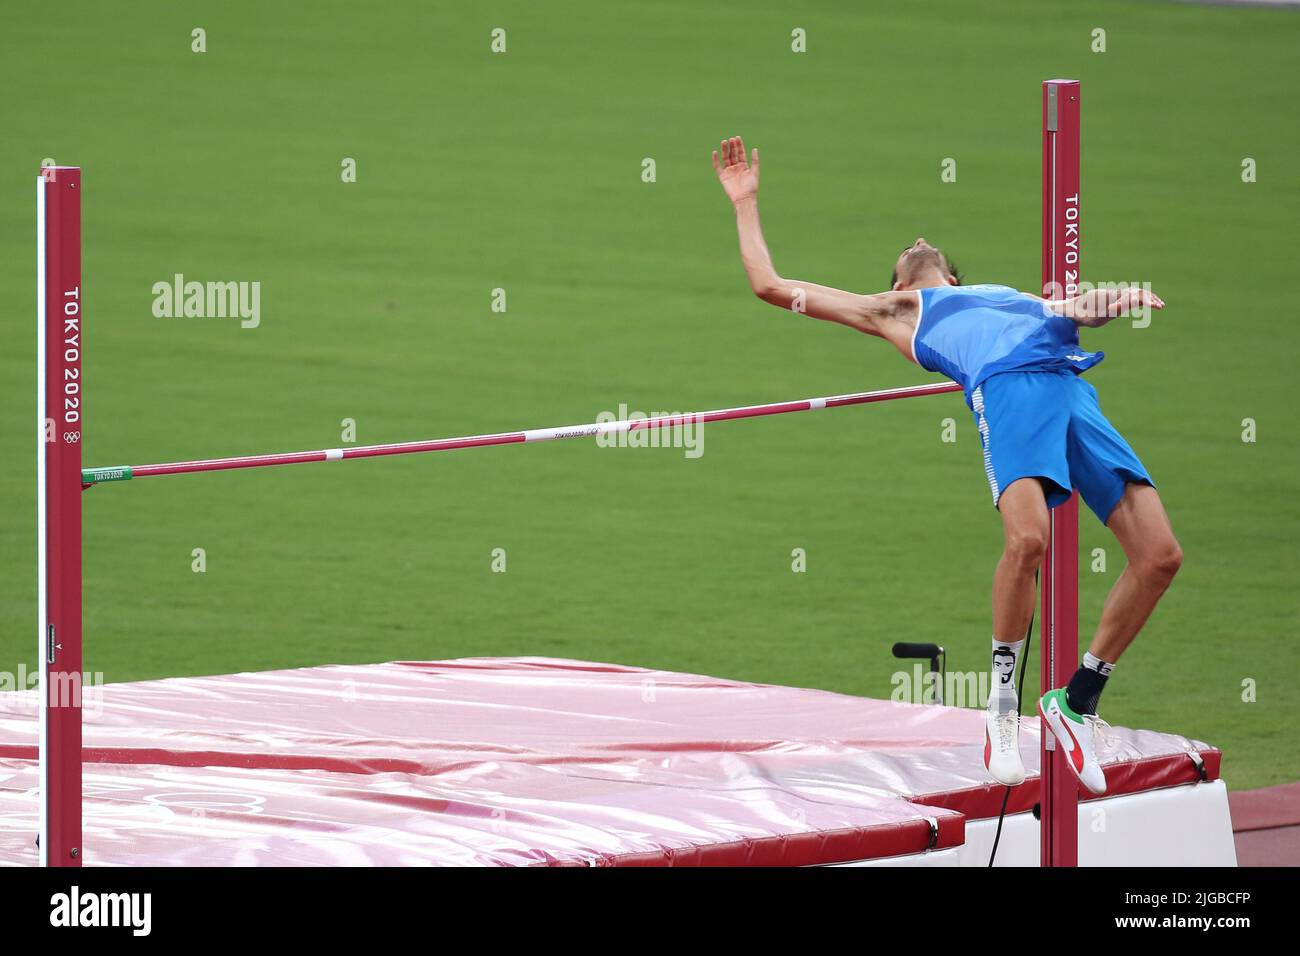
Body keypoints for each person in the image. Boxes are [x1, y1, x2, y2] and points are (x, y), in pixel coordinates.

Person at [713, 136, 1181, 795]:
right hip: (1009, 391)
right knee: (1029, 542)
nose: (920, 238)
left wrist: (1115, 299)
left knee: (1159, 555)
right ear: (900, 284)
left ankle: (1077, 702)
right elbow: (769, 285)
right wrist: (746, 202)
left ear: (956, 277)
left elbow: (1072, 312)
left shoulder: (1009, 295)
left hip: (1070, 386)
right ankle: (1000, 708)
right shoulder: (894, 310)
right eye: (903, 262)